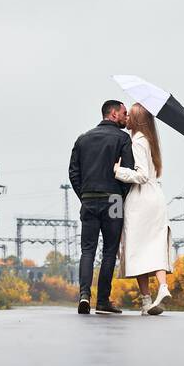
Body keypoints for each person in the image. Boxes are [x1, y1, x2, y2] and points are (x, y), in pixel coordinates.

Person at [68, 100, 134, 315]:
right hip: (113, 200)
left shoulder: (82, 139)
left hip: (88, 199)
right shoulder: (123, 138)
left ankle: (84, 295)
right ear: (113, 114)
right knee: (109, 250)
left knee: (87, 250)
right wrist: (120, 195)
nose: (126, 117)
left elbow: (73, 172)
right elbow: (129, 171)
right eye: (124, 113)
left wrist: (84, 195)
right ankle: (103, 300)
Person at [113, 103, 173, 314]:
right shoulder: (151, 141)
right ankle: (162, 287)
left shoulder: (137, 141)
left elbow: (141, 175)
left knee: (138, 248)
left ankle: (146, 300)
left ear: (137, 119)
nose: (126, 117)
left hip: (140, 199)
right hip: (156, 198)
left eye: (130, 114)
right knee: (155, 246)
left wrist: (118, 171)